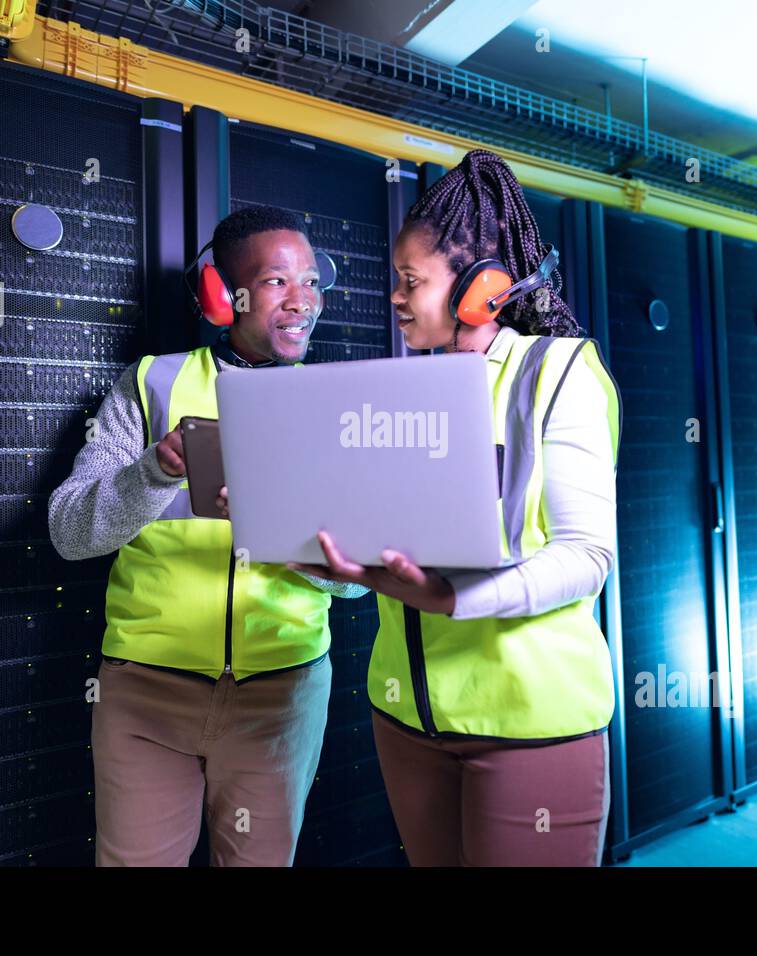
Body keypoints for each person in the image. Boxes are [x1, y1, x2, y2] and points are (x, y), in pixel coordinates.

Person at [289, 149, 623, 866]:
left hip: (531, 722)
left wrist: (449, 599)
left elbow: (588, 557)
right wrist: (311, 547)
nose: (397, 297)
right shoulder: (410, 389)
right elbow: (376, 563)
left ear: (480, 289)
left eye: (412, 281)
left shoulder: (559, 373)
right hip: (406, 718)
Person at [49, 204, 365, 866]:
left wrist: (274, 526)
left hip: (282, 694)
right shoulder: (151, 382)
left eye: (311, 281)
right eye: (278, 281)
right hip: (146, 694)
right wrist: (156, 472)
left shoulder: (337, 404)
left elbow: (357, 585)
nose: (302, 301)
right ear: (226, 295)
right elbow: (69, 531)